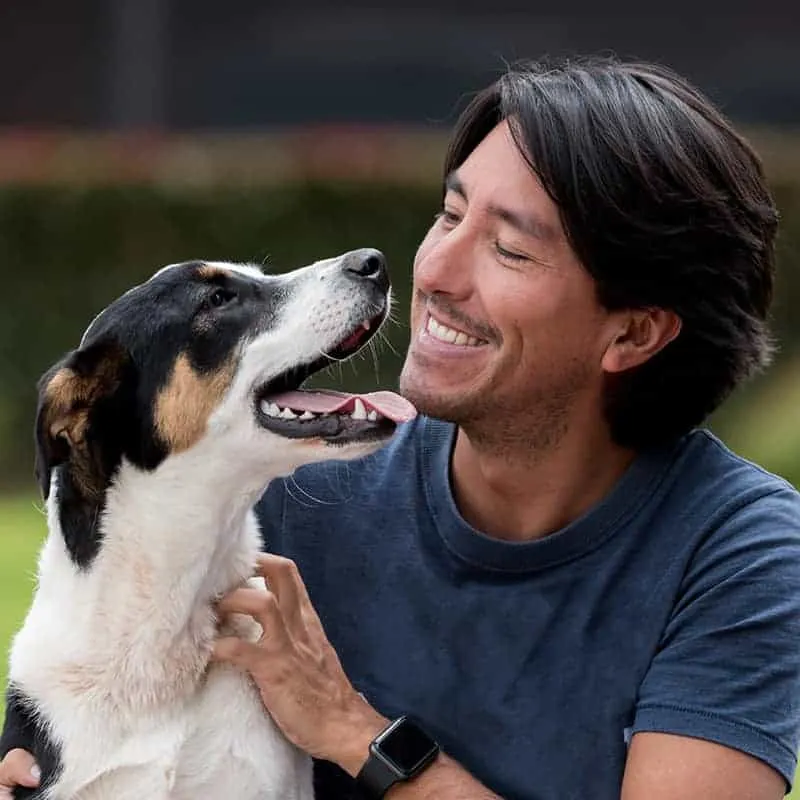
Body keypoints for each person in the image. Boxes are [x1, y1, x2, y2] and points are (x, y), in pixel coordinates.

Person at [2, 55, 800, 800]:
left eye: (510, 250)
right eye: (448, 214)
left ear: (632, 334)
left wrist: (355, 730)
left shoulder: (737, 553)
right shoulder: (281, 484)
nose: (436, 272)